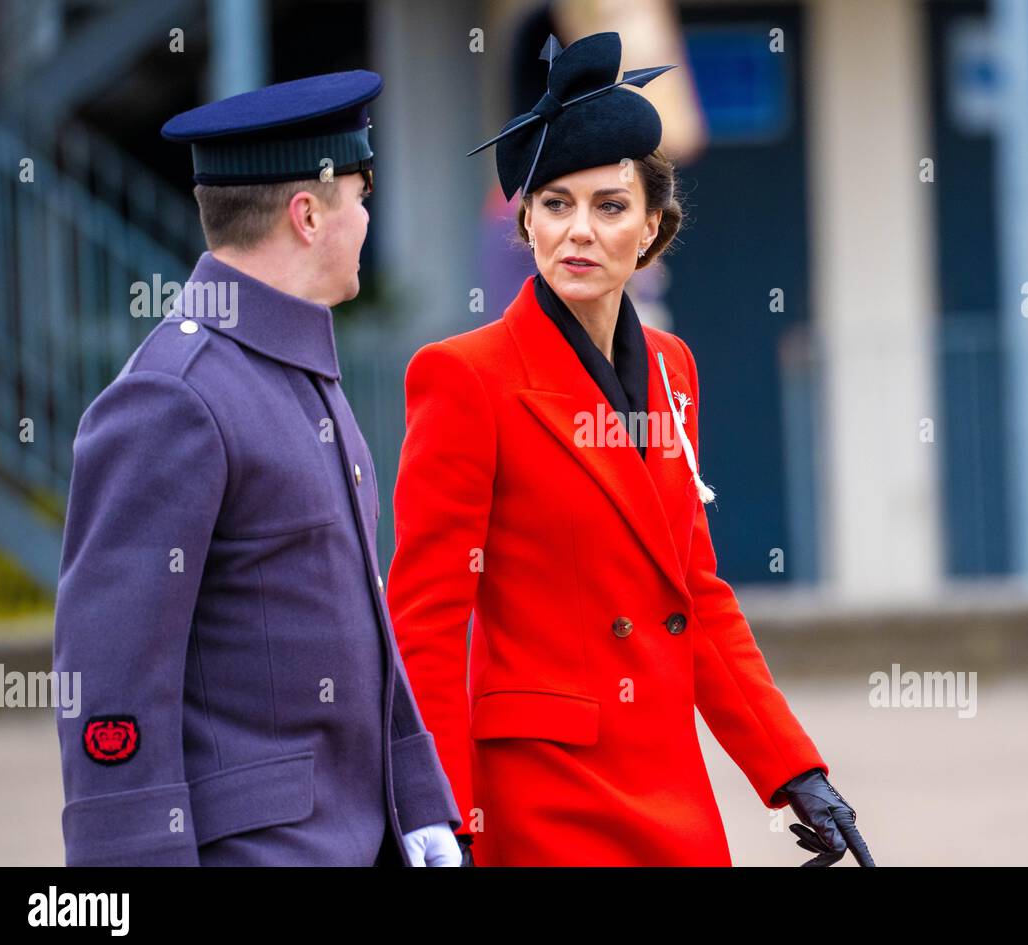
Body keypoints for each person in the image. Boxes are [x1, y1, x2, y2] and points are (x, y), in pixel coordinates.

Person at [387, 32, 874, 867]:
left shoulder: (675, 370)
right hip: (539, 793)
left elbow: (695, 592)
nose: (579, 231)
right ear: (527, 221)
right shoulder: (463, 376)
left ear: (652, 226)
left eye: (609, 207)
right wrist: (441, 815)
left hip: (667, 784)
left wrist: (795, 770)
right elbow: (427, 619)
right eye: (555, 204)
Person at [54, 71, 461, 866]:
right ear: (308, 214)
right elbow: (111, 683)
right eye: (360, 193)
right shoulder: (173, 398)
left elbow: (365, 626)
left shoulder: (298, 372)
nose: (369, 217)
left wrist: (422, 808)